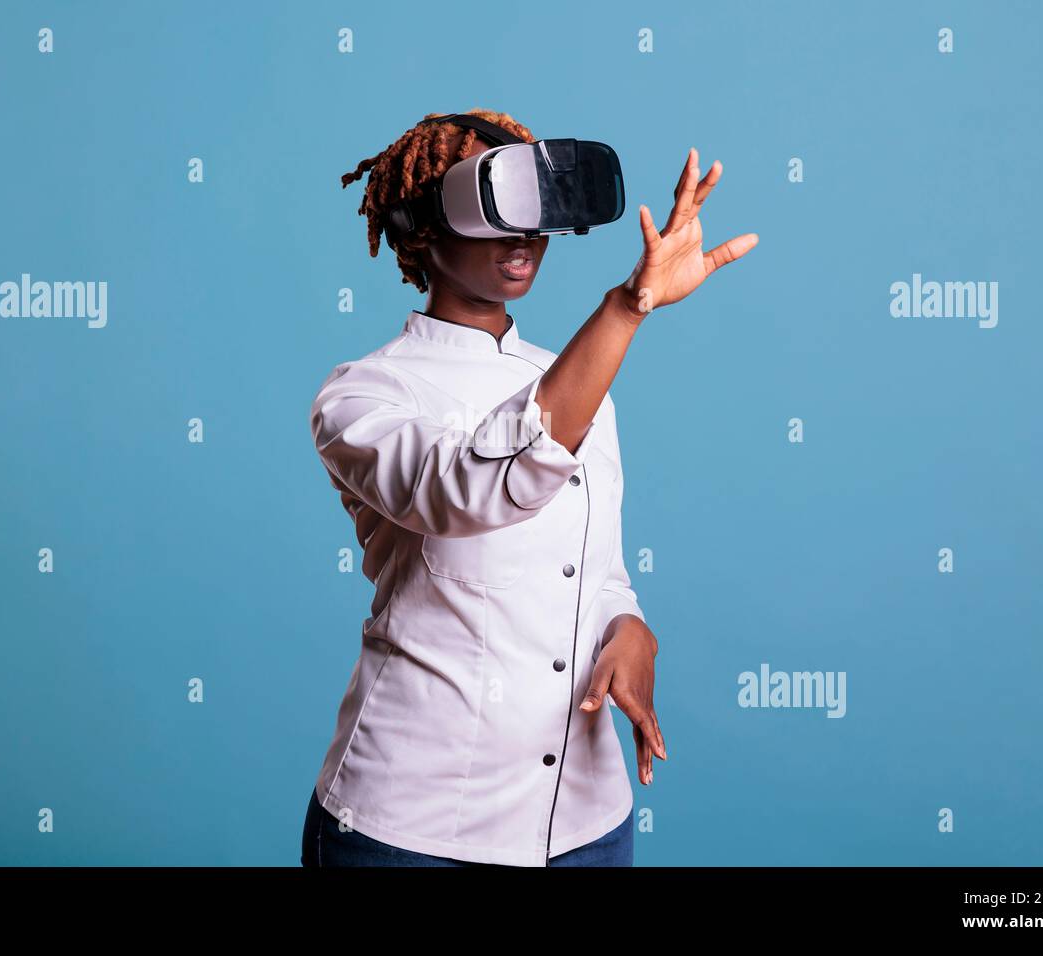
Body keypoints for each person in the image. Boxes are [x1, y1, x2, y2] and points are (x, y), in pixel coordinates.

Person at [302, 108, 757, 867]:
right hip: (414, 830)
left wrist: (628, 627)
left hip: (586, 823)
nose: (522, 235)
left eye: (534, 206)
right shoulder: (362, 397)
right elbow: (468, 492)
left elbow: (596, 567)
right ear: (421, 226)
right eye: (492, 206)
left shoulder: (582, 385)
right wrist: (625, 307)